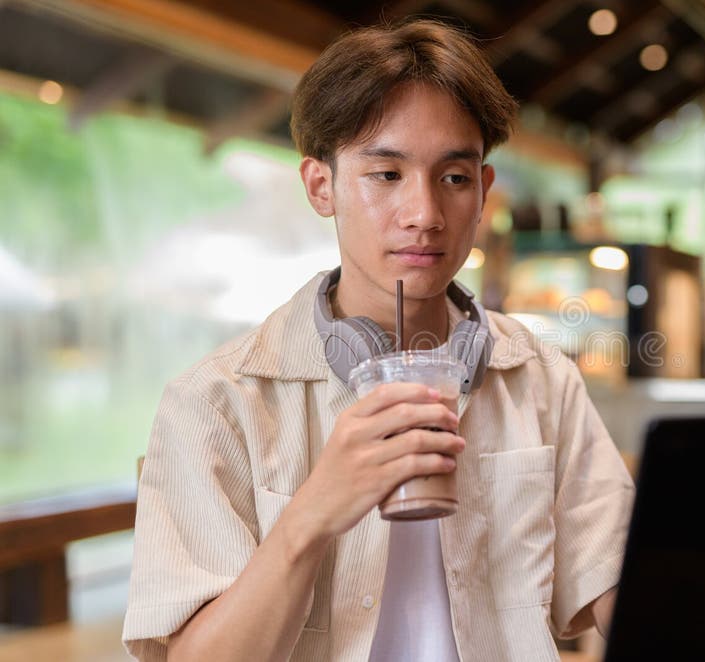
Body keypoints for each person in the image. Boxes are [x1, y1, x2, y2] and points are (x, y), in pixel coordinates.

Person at [123, 18, 634, 662]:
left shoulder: (540, 377)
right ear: (320, 186)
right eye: (386, 175)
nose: (424, 214)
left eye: (454, 177)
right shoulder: (214, 403)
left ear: (484, 192)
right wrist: (314, 514)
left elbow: (615, 582)